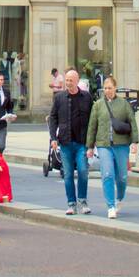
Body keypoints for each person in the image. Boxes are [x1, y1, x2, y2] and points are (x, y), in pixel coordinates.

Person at [86, 76, 138, 219]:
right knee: (107, 174)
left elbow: (132, 122)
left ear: (115, 88)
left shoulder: (124, 104)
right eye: (105, 88)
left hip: (121, 144)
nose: (107, 91)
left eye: (110, 88)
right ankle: (110, 206)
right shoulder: (98, 105)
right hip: (104, 145)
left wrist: (134, 142)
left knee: (122, 177)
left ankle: (119, 198)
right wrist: (90, 146)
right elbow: (92, 126)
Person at [48, 68, 93, 215]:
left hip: (82, 142)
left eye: (71, 81)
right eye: (67, 80)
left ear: (77, 81)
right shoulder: (60, 98)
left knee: (82, 171)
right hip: (65, 142)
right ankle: (71, 203)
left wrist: (92, 142)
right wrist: (53, 138)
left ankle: (82, 200)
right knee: (67, 174)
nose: (68, 83)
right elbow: (53, 117)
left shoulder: (86, 97)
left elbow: (93, 120)